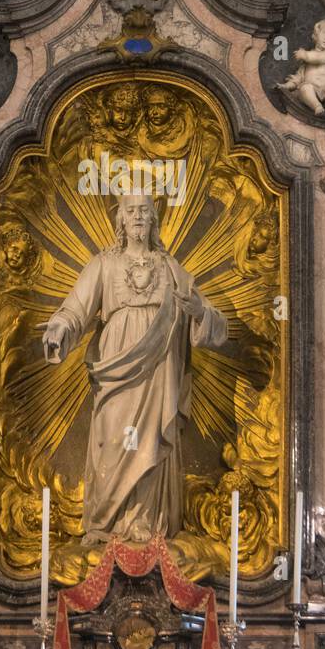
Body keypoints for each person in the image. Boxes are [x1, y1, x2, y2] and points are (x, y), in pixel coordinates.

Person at [42, 195, 227, 545]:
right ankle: (106, 525)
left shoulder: (170, 266)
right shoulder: (104, 265)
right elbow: (76, 309)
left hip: (159, 369)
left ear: (153, 221)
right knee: (113, 439)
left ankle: (148, 526)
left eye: (145, 210)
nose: (138, 216)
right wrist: (60, 328)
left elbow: (214, 321)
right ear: (121, 220)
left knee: (152, 443)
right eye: (131, 210)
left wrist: (200, 312)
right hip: (116, 368)